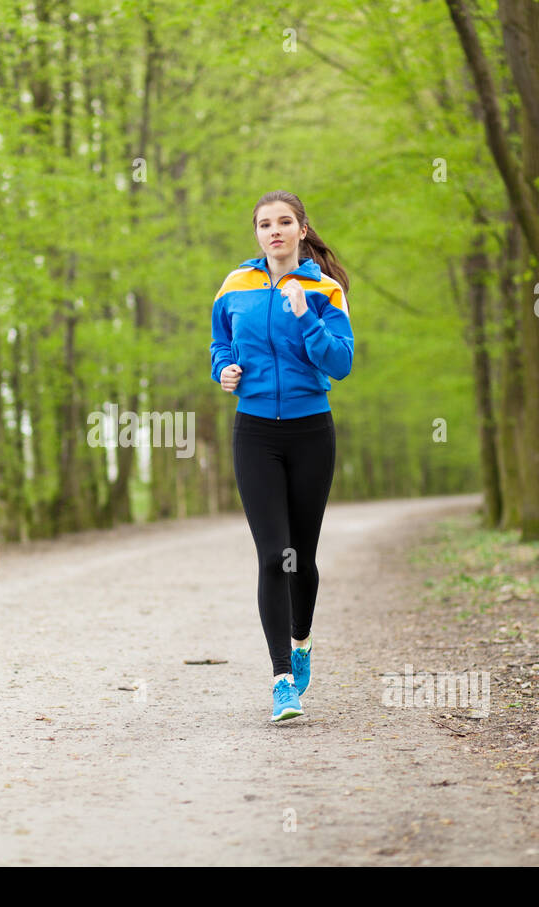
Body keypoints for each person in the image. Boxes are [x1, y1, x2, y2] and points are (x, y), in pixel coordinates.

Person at [209, 190, 355, 723]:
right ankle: (281, 681)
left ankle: (301, 641)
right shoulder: (234, 286)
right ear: (257, 234)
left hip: (311, 431)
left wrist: (307, 318)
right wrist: (222, 371)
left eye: (284, 222)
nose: (275, 230)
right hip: (255, 435)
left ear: (301, 229)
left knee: (302, 559)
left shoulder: (324, 288)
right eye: (265, 223)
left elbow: (339, 362)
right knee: (273, 555)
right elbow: (220, 345)